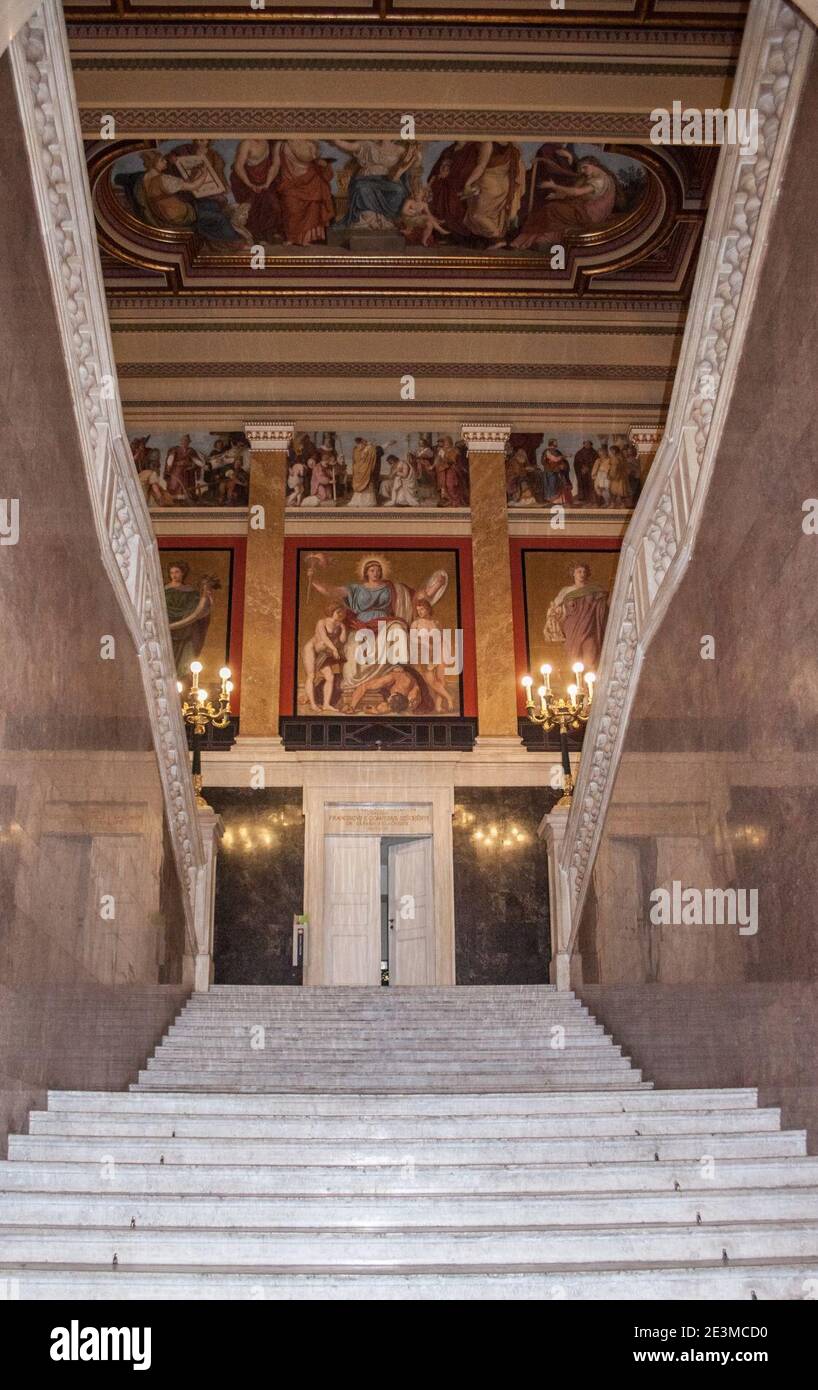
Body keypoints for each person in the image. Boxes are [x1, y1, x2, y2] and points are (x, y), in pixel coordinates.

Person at [512, 154, 619, 250]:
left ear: (594, 164)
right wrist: (557, 195)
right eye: (582, 169)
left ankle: (526, 241)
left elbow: (577, 192)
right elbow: (581, 196)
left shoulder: (600, 180)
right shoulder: (598, 177)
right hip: (583, 210)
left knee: (551, 209)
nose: (583, 171)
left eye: (585, 167)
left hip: (588, 215)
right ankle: (536, 240)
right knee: (551, 209)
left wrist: (553, 185)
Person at [333, 139, 419, 229]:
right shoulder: (367, 145)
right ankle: (367, 219)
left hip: (386, 182)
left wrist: (416, 156)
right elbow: (346, 145)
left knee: (399, 190)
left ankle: (387, 217)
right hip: (366, 179)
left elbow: (414, 161)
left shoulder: (399, 149)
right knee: (361, 189)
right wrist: (332, 137)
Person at [544, 563, 609, 673]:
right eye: (579, 571)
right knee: (574, 659)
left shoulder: (595, 590)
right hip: (572, 628)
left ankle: (593, 686)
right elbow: (555, 609)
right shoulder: (566, 591)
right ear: (573, 573)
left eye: (584, 572)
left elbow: (604, 607)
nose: (582, 574)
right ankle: (578, 686)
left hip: (590, 629)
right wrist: (555, 613)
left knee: (591, 657)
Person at [460, 141, 525, 248]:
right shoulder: (513, 147)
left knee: (477, 215)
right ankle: (491, 239)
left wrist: (468, 183)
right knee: (492, 215)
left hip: (489, 185)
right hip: (503, 186)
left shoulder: (488, 144)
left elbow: (481, 167)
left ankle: (497, 238)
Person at [164, 564, 221, 679]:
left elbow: (198, 611)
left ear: (183, 573)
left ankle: (182, 679)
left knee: (186, 658)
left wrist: (206, 595)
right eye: (172, 572)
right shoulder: (162, 592)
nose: (174, 575)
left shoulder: (191, 592)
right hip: (166, 631)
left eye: (177, 572)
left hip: (186, 630)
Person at [275, 140, 335, 246]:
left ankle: (306, 239)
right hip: (290, 183)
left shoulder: (310, 143)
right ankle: (291, 238)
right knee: (291, 210)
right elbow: (275, 166)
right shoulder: (281, 145)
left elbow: (314, 159)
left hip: (310, 181)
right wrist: (266, 183)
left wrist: (322, 163)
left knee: (312, 210)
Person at [230, 139, 283, 243]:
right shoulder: (246, 143)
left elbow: (275, 166)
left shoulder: (272, 142)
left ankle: (269, 233)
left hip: (267, 181)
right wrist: (250, 184)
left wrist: (267, 184)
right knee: (252, 208)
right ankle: (257, 237)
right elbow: (239, 166)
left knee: (275, 206)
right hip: (247, 182)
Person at [410, 598, 454, 711]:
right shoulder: (416, 623)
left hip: (438, 653)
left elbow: (442, 638)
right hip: (423, 654)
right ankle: (449, 698)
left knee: (441, 681)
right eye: (418, 610)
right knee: (431, 681)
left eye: (422, 609)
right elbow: (413, 640)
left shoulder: (436, 623)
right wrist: (426, 644)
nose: (420, 612)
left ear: (428, 609)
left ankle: (438, 706)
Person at [302, 604, 347, 712]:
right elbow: (324, 638)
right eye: (338, 612)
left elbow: (342, 641)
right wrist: (334, 650)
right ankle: (313, 704)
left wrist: (343, 629)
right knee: (311, 676)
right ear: (332, 611)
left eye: (342, 612)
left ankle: (326, 704)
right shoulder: (321, 622)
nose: (340, 614)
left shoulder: (339, 625)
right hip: (311, 649)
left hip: (323, 653)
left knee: (330, 677)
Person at [162, 435, 206, 504]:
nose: (185, 442)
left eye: (186, 441)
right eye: (183, 441)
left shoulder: (191, 450)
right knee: (175, 484)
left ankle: (187, 499)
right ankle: (175, 499)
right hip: (176, 471)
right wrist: (169, 466)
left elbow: (196, 460)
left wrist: (203, 465)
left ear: (189, 442)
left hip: (188, 472)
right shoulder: (175, 449)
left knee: (188, 485)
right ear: (181, 442)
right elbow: (171, 458)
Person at [349, 437, 381, 507]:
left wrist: (369, 446)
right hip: (361, 469)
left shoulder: (358, 449)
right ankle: (362, 502)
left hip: (364, 469)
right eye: (362, 442)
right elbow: (361, 458)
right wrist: (370, 446)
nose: (362, 444)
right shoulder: (359, 449)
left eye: (363, 443)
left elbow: (369, 456)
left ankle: (367, 502)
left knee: (368, 484)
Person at [572, 439, 598, 507]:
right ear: (583, 444)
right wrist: (582, 468)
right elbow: (576, 463)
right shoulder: (579, 452)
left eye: (588, 444)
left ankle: (591, 498)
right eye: (585, 444)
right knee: (581, 483)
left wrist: (588, 468)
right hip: (582, 472)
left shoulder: (594, 453)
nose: (587, 445)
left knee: (591, 484)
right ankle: (582, 497)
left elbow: (597, 462)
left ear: (591, 444)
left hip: (591, 471)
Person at [592, 441, 612, 508]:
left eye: (603, 453)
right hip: (599, 476)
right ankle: (605, 502)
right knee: (598, 488)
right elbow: (595, 468)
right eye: (600, 454)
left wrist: (608, 473)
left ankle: (608, 502)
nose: (602, 455)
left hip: (606, 476)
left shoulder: (610, 460)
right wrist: (594, 475)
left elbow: (611, 468)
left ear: (605, 453)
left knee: (606, 488)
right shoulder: (598, 460)